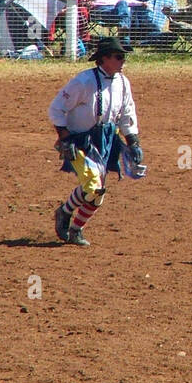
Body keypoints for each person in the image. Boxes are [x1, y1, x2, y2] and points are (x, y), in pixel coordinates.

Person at [48, 37, 142, 247]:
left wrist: (132, 140)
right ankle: (65, 214)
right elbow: (56, 109)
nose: (123, 61)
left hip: (107, 139)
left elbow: (127, 112)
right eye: (119, 57)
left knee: (98, 193)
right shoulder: (83, 82)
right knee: (93, 185)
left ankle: (75, 228)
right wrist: (65, 138)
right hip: (80, 140)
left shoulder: (123, 83)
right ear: (104, 59)